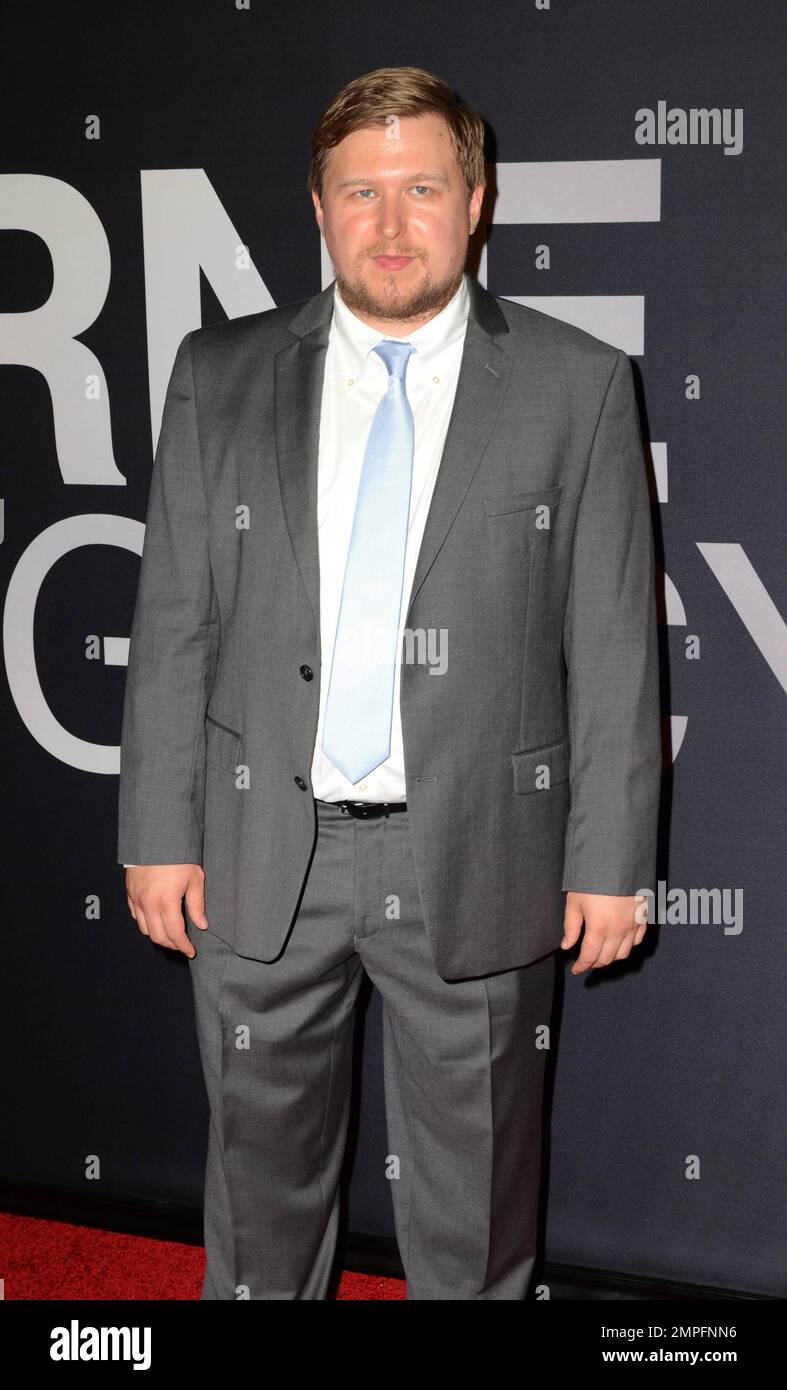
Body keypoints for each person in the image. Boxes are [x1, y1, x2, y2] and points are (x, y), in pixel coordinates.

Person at [118, 65, 661, 1300]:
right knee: (257, 1203)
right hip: (262, 848)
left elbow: (617, 643)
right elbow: (175, 623)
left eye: (422, 186)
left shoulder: (578, 388)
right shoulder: (221, 372)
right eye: (360, 190)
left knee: (473, 1223)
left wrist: (611, 859)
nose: (391, 220)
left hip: (477, 854)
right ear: (318, 206)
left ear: (477, 201)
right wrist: (157, 830)